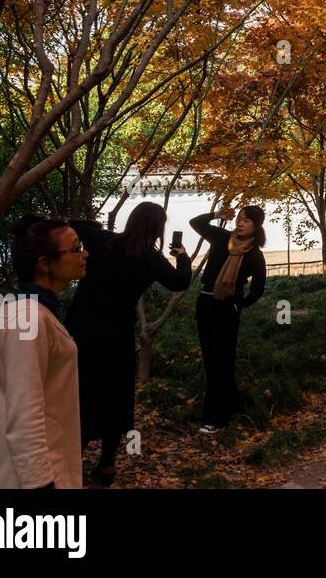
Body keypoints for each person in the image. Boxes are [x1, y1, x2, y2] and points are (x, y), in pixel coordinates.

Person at [65, 202, 191, 485]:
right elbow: (180, 281)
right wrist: (182, 256)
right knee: (114, 395)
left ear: (132, 220)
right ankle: (107, 465)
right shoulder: (151, 258)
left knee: (80, 392)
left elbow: (75, 222)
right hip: (117, 335)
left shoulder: (103, 240)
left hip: (82, 330)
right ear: (158, 228)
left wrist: (96, 227)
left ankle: (70, 460)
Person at [0, 215, 88, 489]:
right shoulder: (29, 317)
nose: (84, 253)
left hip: (10, 465)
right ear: (45, 264)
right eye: (76, 248)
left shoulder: (21, 309)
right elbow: (25, 411)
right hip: (20, 478)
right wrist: (40, 483)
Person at [190, 204, 266, 433]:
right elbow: (196, 223)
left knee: (220, 362)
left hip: (227, 309)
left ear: (256, 226)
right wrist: (216, 215)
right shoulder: (221, 237)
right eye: (239, 219)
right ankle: (233, 405)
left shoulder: (254, 254)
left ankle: (215, 418)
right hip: (205, 303)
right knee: (211, 360)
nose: (240, 223)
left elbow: (258, 289)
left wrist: (238, 305)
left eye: (246, 221)